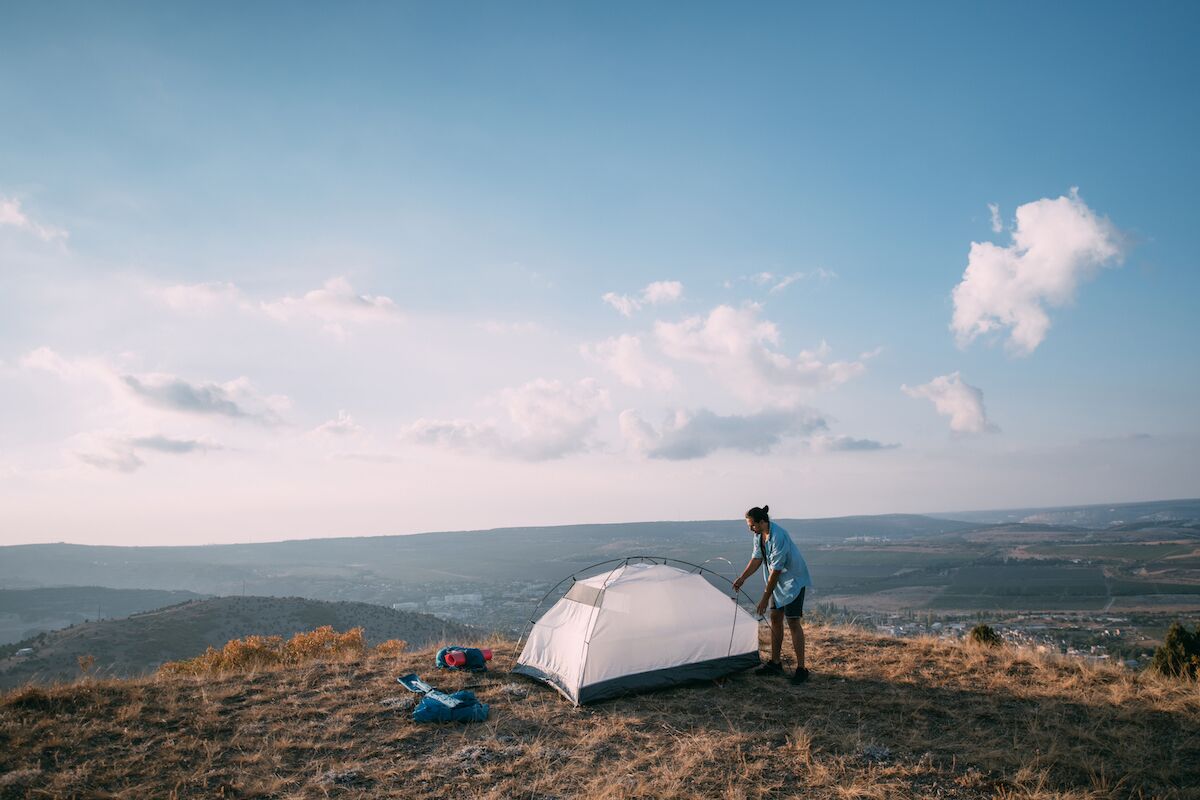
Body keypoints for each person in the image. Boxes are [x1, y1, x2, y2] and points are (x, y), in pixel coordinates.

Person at [732, 505, 812, 684]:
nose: (750, 529)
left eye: (752, 525)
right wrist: (742, 578)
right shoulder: (759, 536)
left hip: (792, 582)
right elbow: (757, 559)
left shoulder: (779, 536)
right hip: (776, 583)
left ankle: (801, 669)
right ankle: (776, 663)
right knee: (775, 618)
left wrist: (764, 599)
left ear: (762, 522)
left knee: (792, 621)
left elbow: (776, 571)